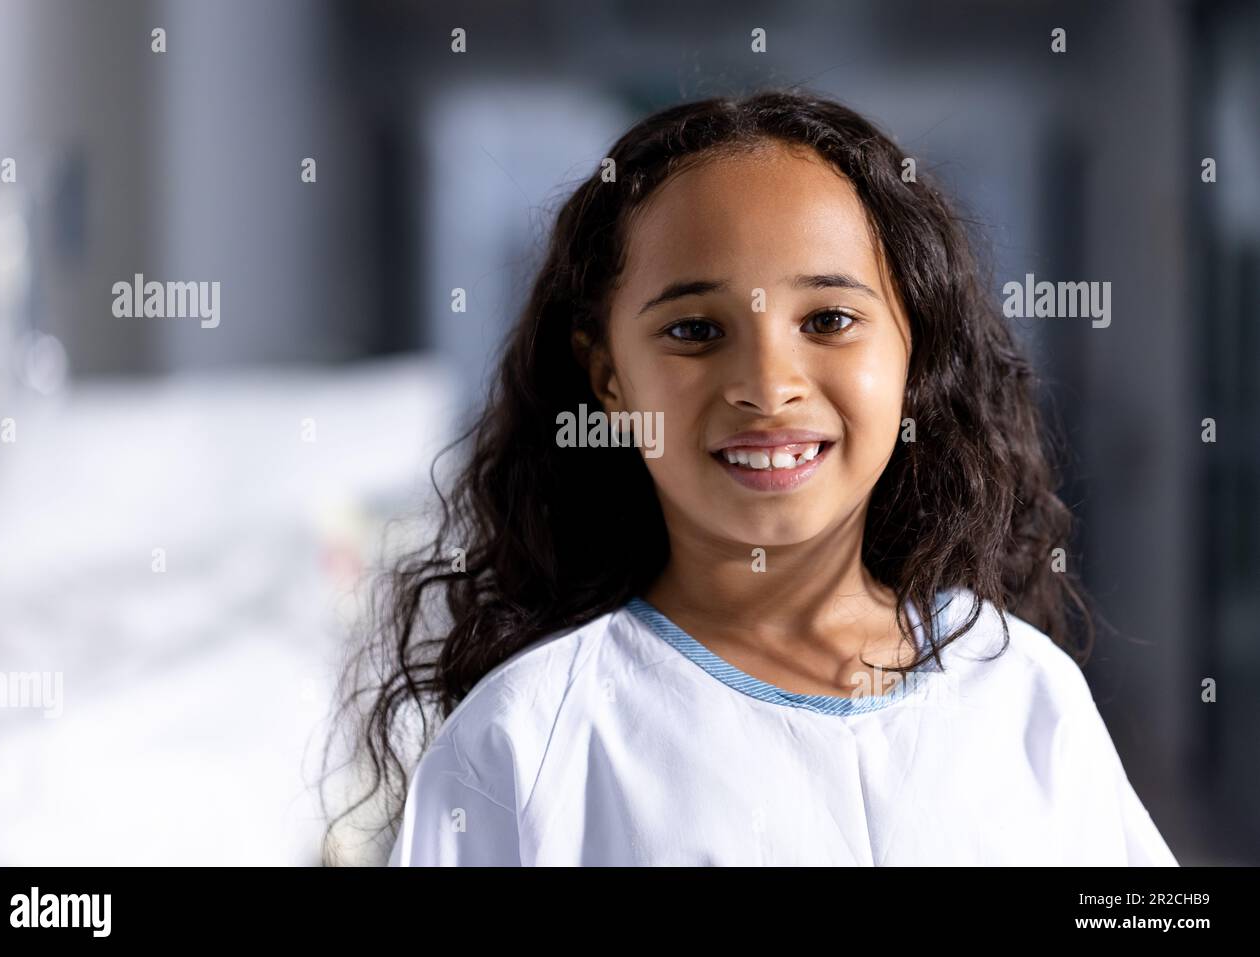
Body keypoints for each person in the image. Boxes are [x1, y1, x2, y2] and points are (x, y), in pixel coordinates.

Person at [330, 88, 1178, 866]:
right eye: (696, 330)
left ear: (910, 346)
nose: (770, 387)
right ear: (609, 378)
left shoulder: (1024, 690)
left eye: (831, 319)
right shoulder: (523, 742)